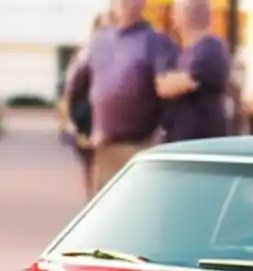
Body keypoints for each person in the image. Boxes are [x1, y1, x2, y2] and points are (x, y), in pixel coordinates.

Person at [63, 0, 183, 194]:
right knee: (102, 213)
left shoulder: (156, 42)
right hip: (103, 148)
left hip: (139, 147)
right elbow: (79, 85)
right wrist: (82, 126)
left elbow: (169, 93)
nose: (126, 3)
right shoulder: (99, 41)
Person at [161, 0, 231, 143]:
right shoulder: (187, 52)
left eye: (175, 12)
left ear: (183, 16)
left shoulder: (211, 47)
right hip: (183, 143)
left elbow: (174, 86)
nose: (172, 16)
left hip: (201, 147)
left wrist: (161, 81)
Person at [62, 12, 111, 199]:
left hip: (103, 120)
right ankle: (93, 202)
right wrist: (72, 123)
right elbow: (70, 91)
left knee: (101, 170)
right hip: (87, 119)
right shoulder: (86, 56)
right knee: (92, 169)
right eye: (104, 29)